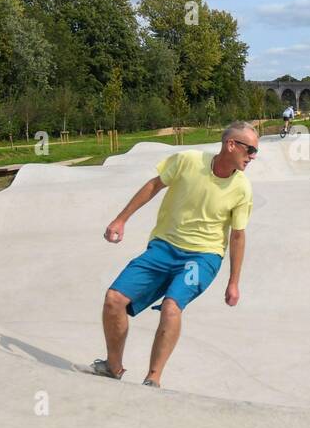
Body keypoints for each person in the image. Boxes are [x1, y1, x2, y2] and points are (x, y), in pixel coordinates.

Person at [84, 121, 256, 388]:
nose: (253, 156)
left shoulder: (242, 188)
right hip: (163, 248)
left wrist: (234, 281)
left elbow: (237, 235)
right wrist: (121, 220)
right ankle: (113, 366)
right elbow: (154, 186)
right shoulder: (188, 161)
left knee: (171, 306)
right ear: (231, 145)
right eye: (251, 149)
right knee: (113, 299)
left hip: (203, 258)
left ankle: (153, 378)